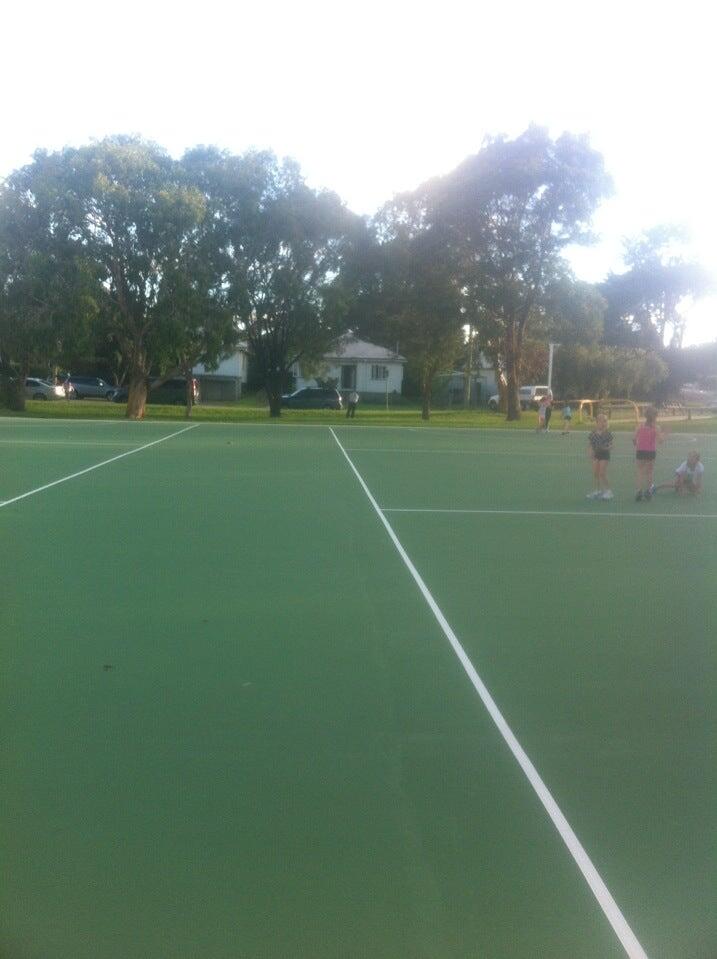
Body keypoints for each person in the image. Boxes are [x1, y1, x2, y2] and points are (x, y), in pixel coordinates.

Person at [633, 406, 665, 501]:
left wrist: (638, 444)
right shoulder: (656, 428)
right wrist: (665, 435)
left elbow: (634, 439)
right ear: (655, 417)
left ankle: (639, 490)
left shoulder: (640, 426)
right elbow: (660, 441)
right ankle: (648, 491)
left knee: (640, 471)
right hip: (650, 452)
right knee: (649, 472)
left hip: (640, 451)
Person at [587, 413, 614, 500]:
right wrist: (590, 453)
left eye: (605, 421)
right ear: (597, 422)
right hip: (596, 454)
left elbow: (611, 445)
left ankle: (608, 491)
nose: (604, 423)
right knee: (596, 473)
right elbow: (590, 444)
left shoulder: (608, 433)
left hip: (604, 454)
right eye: (602, 421)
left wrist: (606, 448)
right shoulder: (593, 433)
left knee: (602, 473)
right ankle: (597, 491)